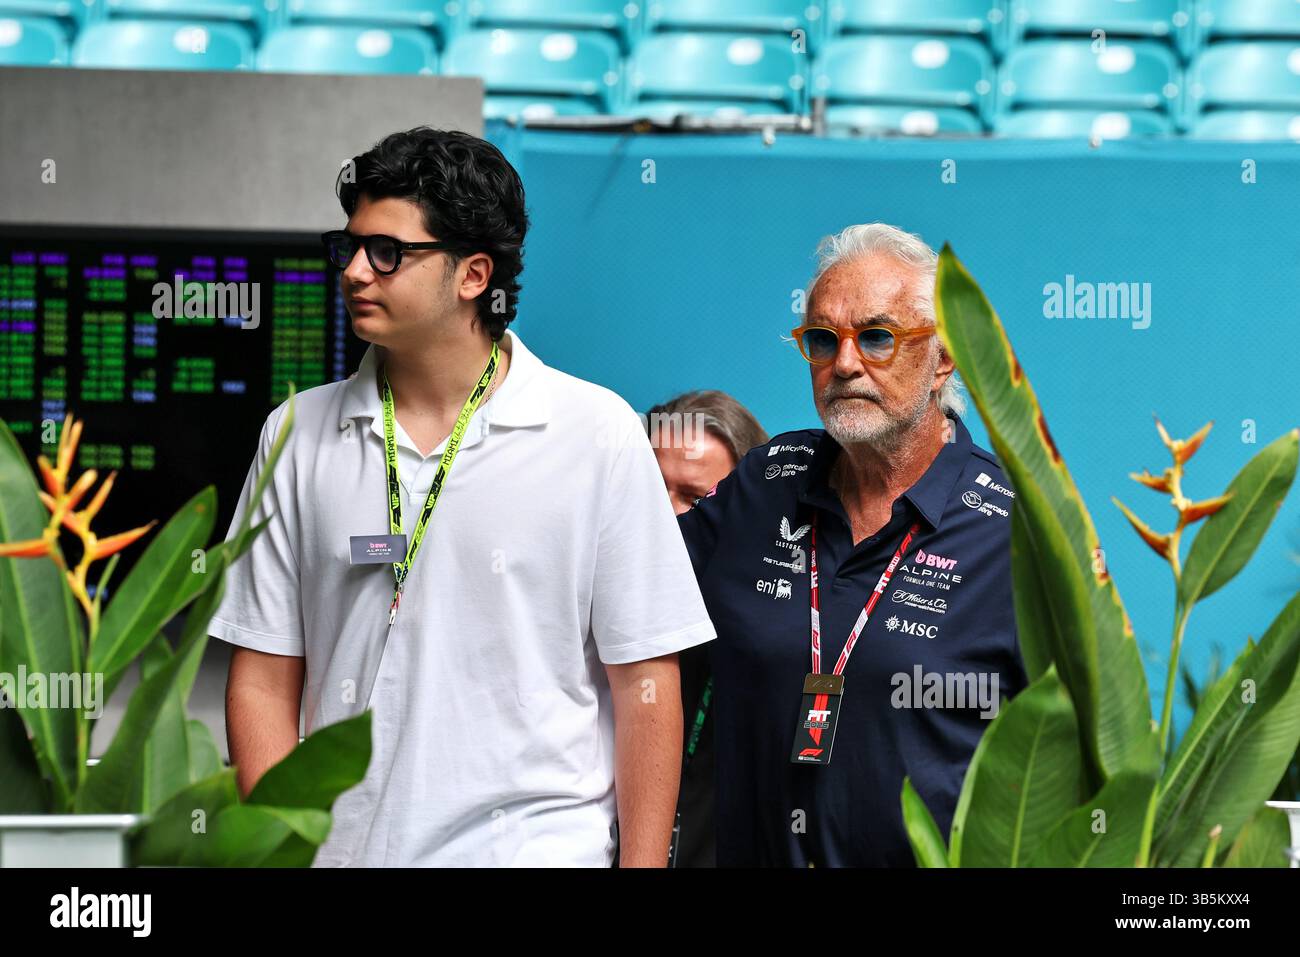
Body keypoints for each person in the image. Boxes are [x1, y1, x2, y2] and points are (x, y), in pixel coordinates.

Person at [209, 127, 715, 867]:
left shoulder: (595, 431)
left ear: (474, 274)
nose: (353, 271)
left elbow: (645, 681)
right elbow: (260, 678)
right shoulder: (294, 433)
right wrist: (283, 856)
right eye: (346, 246)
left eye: (387, 253)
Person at [678, 223, 1028, 867]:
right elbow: (625, 592)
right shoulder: (765, 481)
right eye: (821, 340)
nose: (844, 364)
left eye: (876, 336)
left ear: (943, 357)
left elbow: (1074, 761)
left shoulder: (1015, 531)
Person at [645, 390, 768, 867]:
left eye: (695, 499)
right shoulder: (592, 626)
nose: (667, 517)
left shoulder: (781, 647)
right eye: (655, 491)